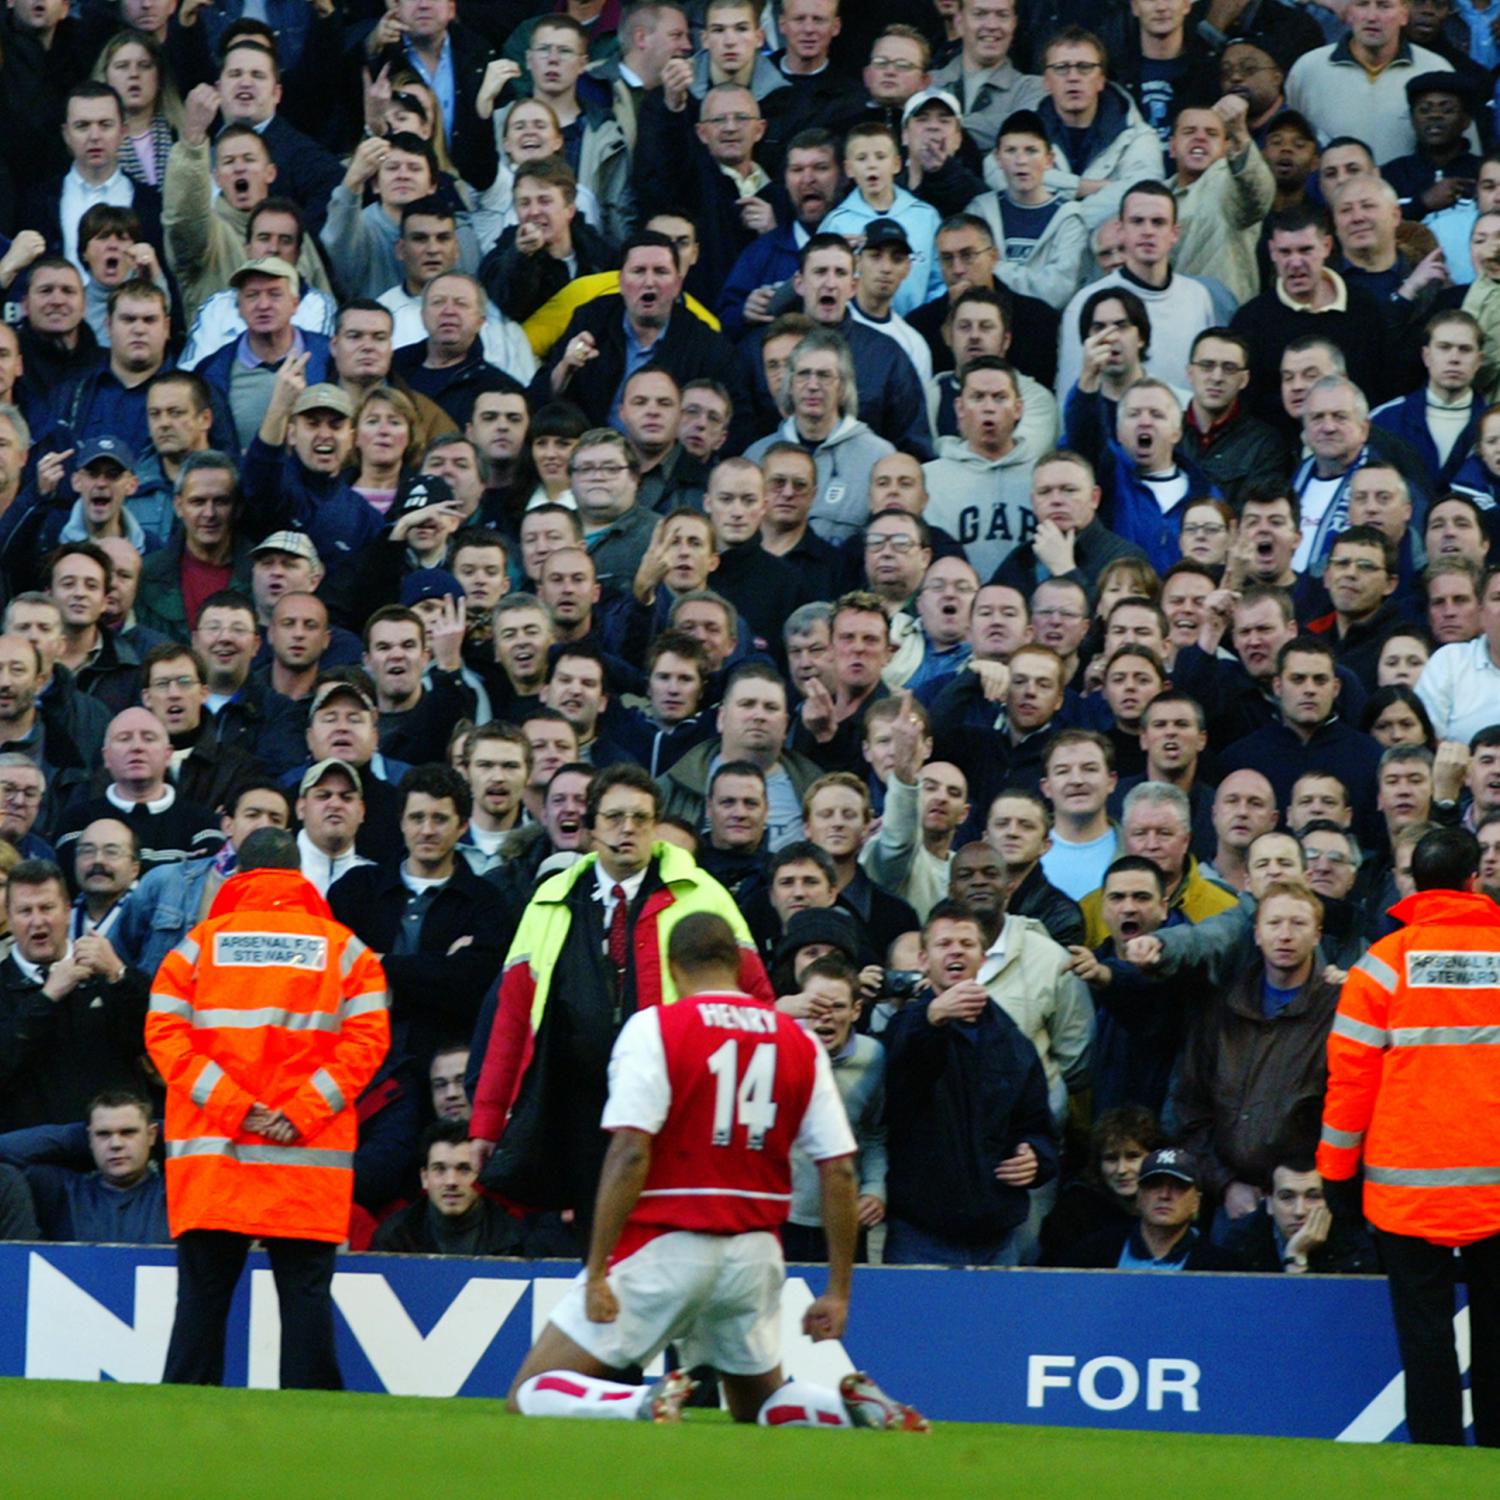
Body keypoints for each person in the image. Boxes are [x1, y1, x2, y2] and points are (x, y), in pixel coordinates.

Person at [508, 910, 925, 1430]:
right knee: (757, 1405)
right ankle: (845, 1409)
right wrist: (837, 1290)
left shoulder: (656, 1028)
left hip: (667, 1245)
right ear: (737, 964)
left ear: (672, 967)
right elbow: (839, 1170)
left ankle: (637, 1403)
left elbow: (631, 1152)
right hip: (754, 1255)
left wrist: (596, 1270)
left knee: (528, 1392)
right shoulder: (796, 1040)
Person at [470, 764, 773, 1220]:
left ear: (656, 828)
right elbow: (513, 1020)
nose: (627, 829)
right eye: (614, 817)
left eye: (640, 818)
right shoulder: (550, 898)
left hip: (678, 1111)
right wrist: (487, 1125)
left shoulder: (704, 895)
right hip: (575, 1114)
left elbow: (756, 1010)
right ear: (590, 828)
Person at [145, 826, 389, 1389]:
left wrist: (235, 1108)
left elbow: (165, 1037)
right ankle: (313, 1447)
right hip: (306, 1158)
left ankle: (177, 1436)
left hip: (215, 1157)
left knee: (201, 1306)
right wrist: (299, 1112)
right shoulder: (346, 950)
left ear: (236, 873)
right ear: (298, 875)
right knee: (305, 1303)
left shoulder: (195, 950)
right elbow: (368, 1042)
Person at [1319, 825, 1500, 1446]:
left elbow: (1348, 1085)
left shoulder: (1380, 969)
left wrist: (1336, 1175)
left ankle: (1437, 1464)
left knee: (1425, 1340)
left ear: (1412, 884)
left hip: (1407, 1191)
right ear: (1475, 877)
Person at [882, 899, 1057, 1266]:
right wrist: (932, 1018)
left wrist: (1034, 1157)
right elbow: (898, 1077)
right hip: (920, 1233)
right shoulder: (904, 1025)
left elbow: (1039, 1127)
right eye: (944, 944)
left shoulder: (1012, 1042)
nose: (956, 951)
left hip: (996, 1236)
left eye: (967, 944)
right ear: (924, 961)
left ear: (983, 958)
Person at [22, 1087, 168, 1243]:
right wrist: (73, 1135)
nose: (116, 1144)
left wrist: (170, 1131)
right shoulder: (63, 1191)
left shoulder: (175, 1193)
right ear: (89, 1138)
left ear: (151, 1135)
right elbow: (6, 1152)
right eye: (103, 1134)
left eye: (128, 1132)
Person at [1058, 1147, 1240, 1270]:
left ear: (1196, 1203)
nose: (1165, 1195)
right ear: (1138, 1197)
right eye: (1154, 1185)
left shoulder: (1222, 1267)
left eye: (1178, 1186)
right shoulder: (1092, 1254)